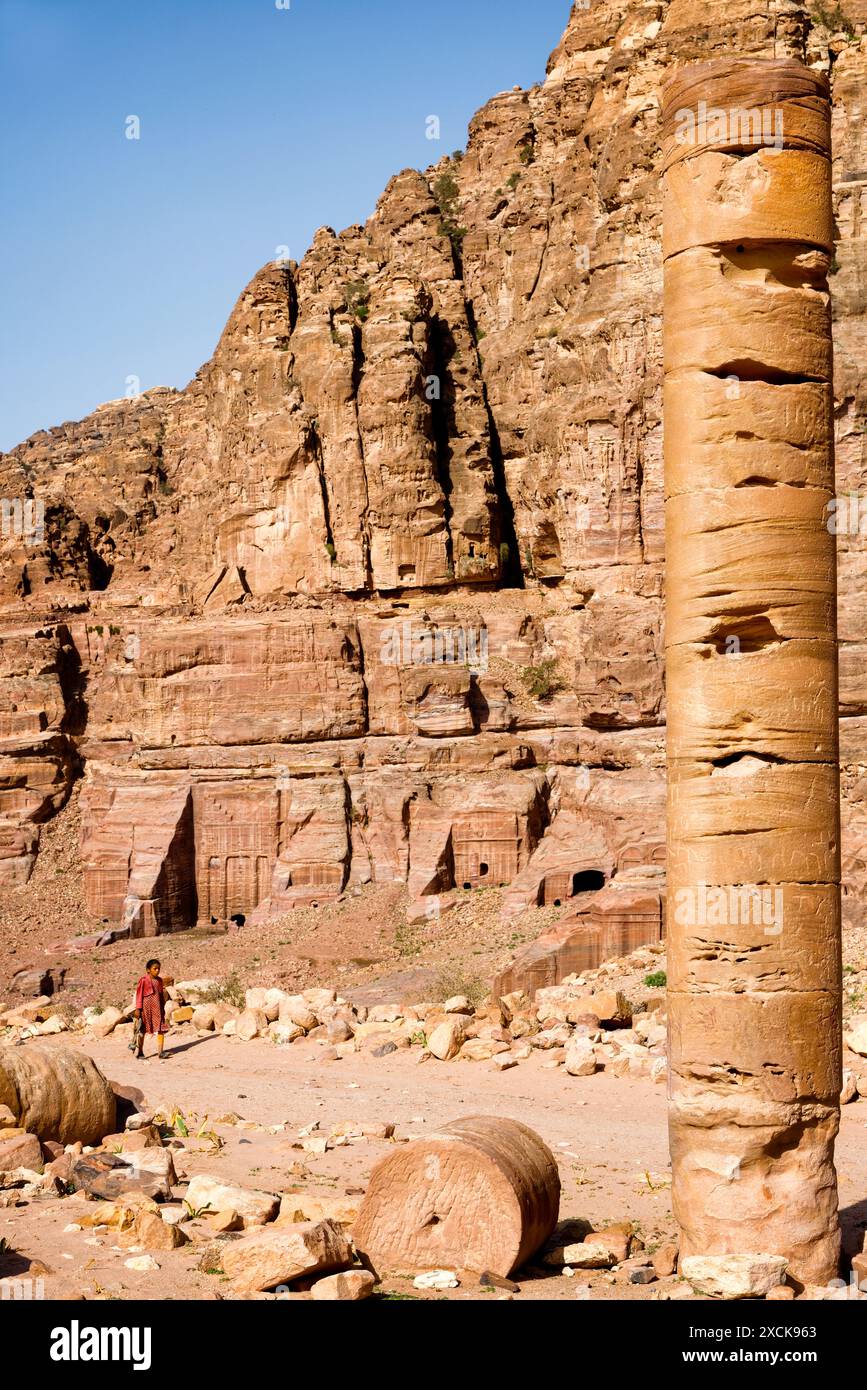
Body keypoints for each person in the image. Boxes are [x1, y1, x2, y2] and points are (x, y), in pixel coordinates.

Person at [133, 959, 174, 1061]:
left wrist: (163, 1007)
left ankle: (161, 1052)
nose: (157, 971)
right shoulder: (143, 980)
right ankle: (140, 1052)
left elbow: (160, 995)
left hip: (157, 1009)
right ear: (148, 970)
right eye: (155, 969)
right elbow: (139, 995)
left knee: (160, 1029)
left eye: (158, 969)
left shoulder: (159, 981)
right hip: (145, 1010)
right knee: (142, 1031)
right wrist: (138, 1009)